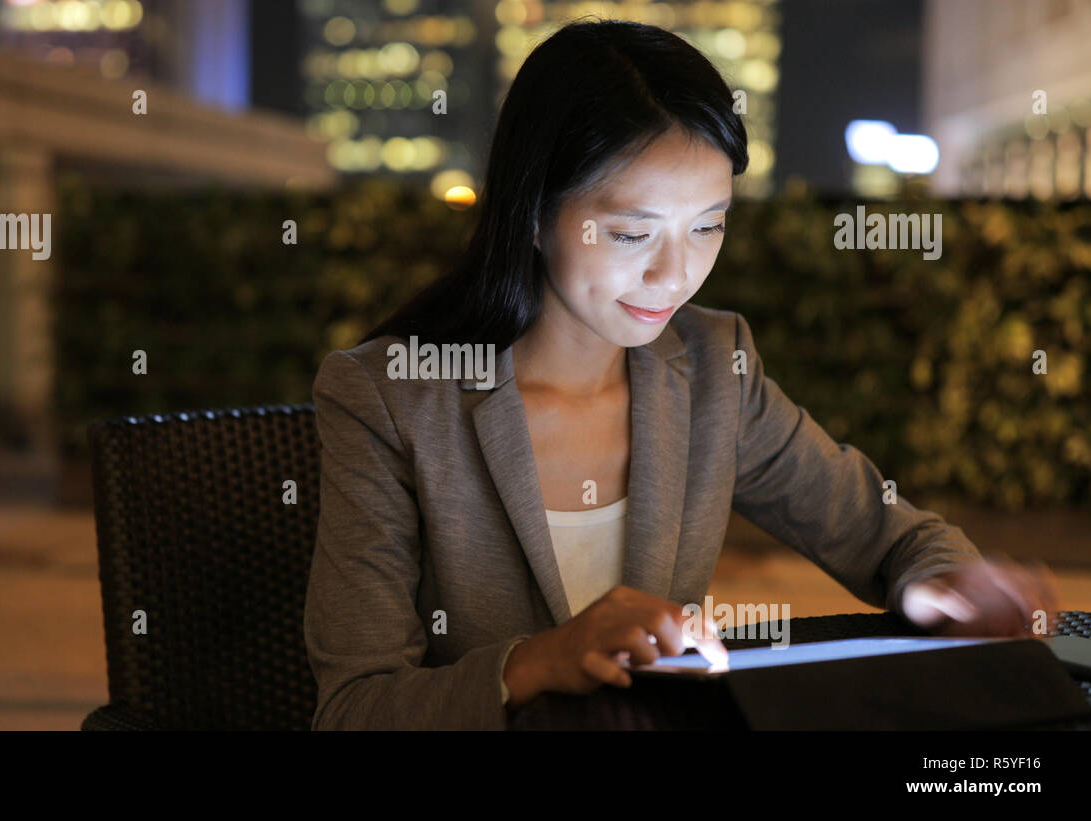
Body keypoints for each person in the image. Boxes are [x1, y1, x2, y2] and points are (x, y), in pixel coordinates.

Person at [302, 19, 1060, 730]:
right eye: (632, 232)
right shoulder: (392, 397)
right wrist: (538, 659)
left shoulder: (711, 366)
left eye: (709, 226)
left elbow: (888, 537)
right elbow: (355, 707)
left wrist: (945, 585)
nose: (675, 274)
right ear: (532, 213)